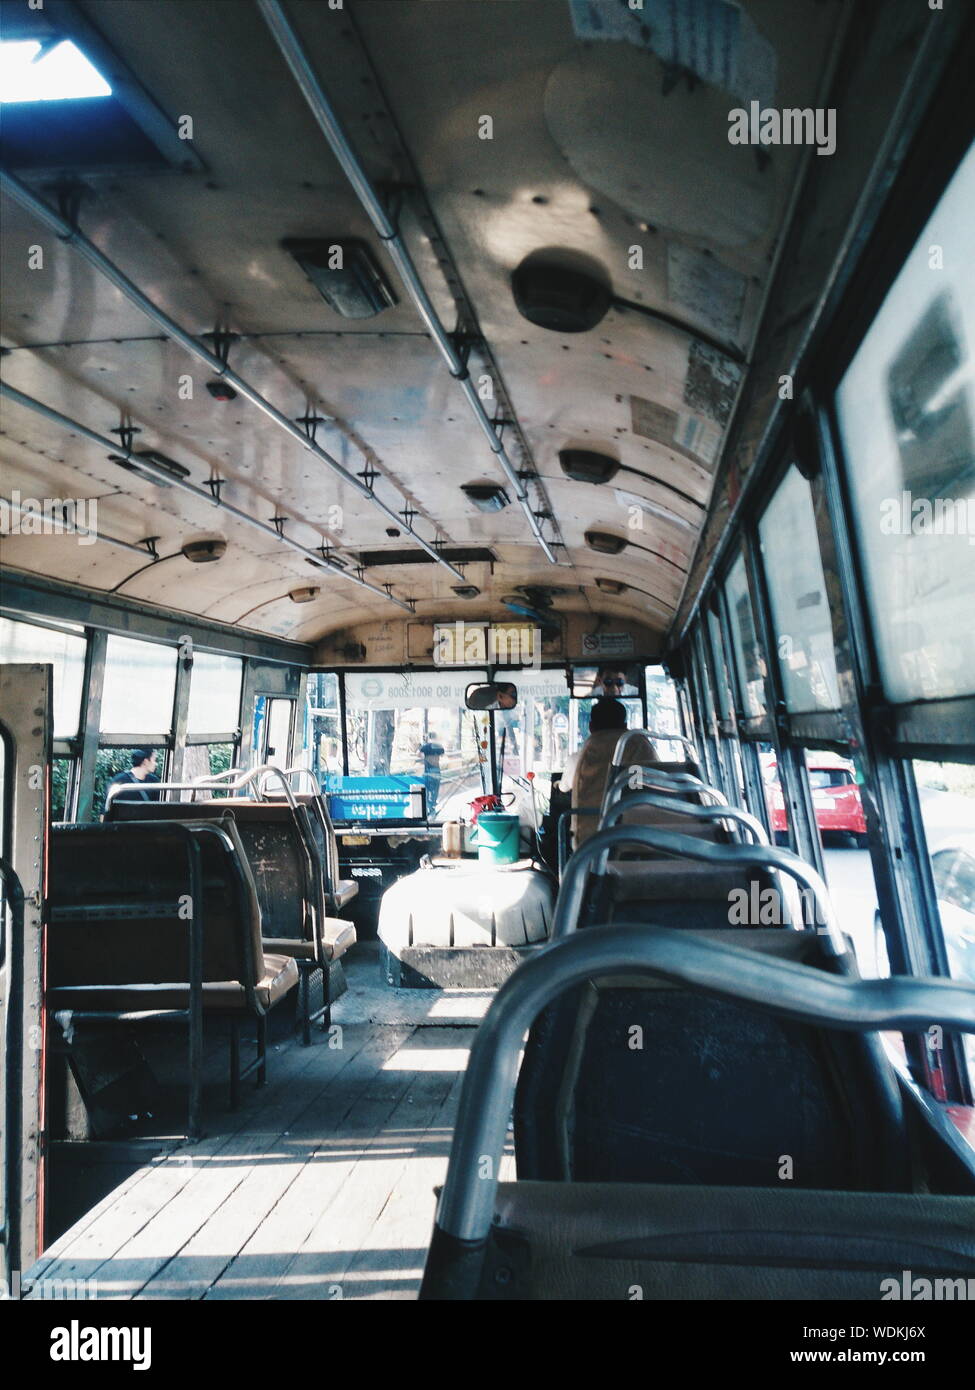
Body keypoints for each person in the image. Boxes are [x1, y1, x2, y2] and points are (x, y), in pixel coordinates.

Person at [558, 697, 627, 792]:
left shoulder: (577, 760)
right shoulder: (640, 756)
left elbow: (563, 788)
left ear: (591, 727)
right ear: (625, 727)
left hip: (589, 807)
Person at [103, 747, 161, 814]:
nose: (155, 763)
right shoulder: (119, 782)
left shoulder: (154, 781)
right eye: (154, 760)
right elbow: (105, 811)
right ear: (146, 761)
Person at [417, 731, 445, 816]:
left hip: (428, 771)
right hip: (437, 770)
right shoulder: (439, 746)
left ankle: (428, 807)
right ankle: (432, 806)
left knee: (427, 789)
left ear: (428, 737)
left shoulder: (426, 746)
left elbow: (418, 754)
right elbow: (443, 755)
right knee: (435, 790)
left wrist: (424, 754)